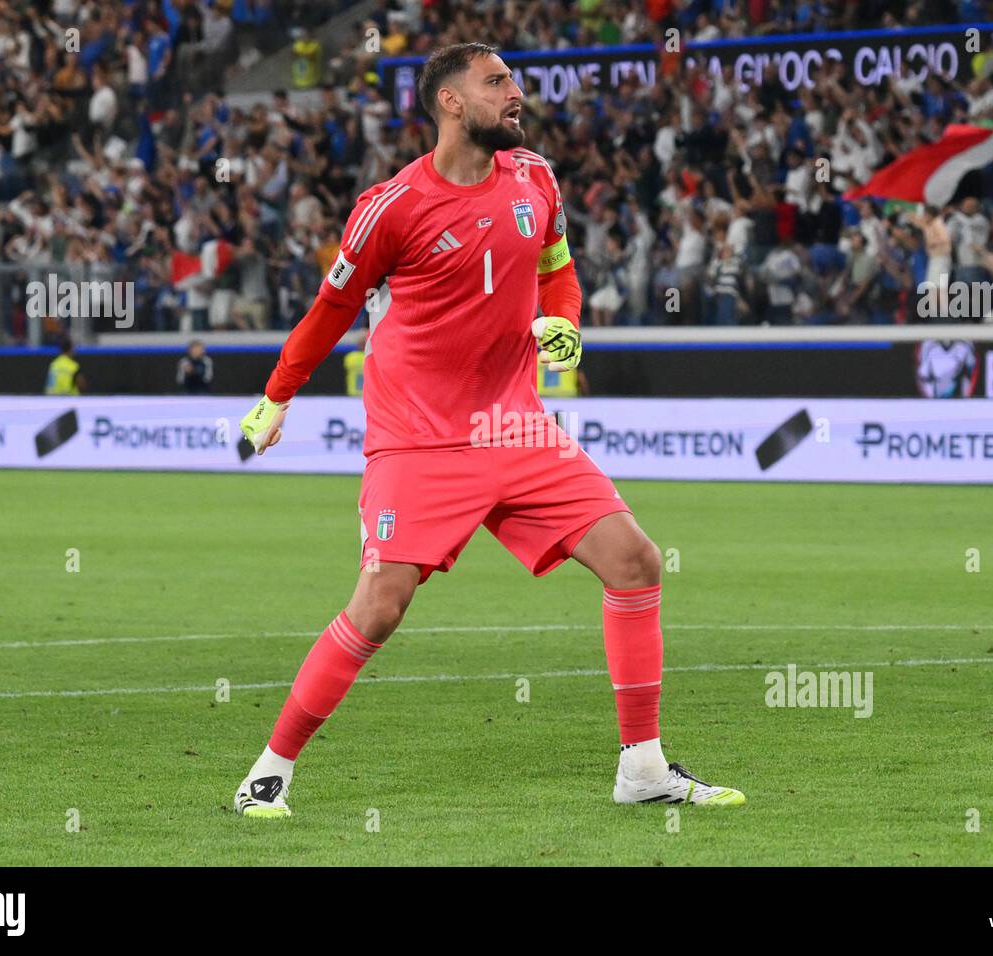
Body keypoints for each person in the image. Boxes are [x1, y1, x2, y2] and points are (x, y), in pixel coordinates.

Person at [231, 43, 744, 818]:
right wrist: (277, 397)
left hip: (515, 426)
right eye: (496, 82)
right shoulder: (392, 205)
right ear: (450, 102)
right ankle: (268, 773)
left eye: (513, 80)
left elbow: (557, 267)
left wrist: (565, 323)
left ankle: (642, 768)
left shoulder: (535, 176)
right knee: (379, 607)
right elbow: (331, 308)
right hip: (419, 436)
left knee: (635, 561)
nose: (517, 92)